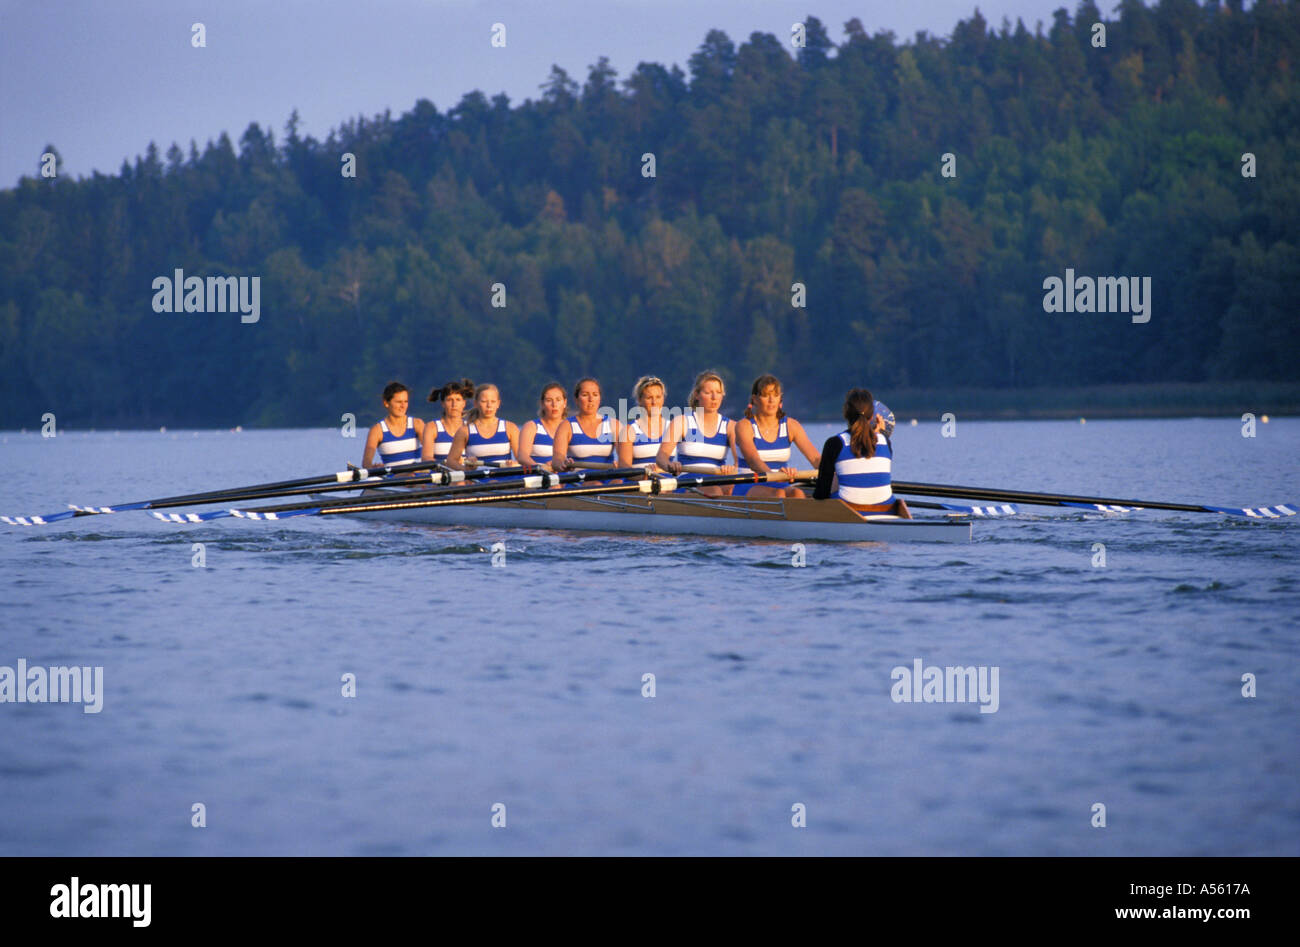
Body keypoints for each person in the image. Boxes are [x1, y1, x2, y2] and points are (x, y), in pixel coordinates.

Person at [812, 388, 910, 518]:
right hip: (887, 510)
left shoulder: (834, 443)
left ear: (845, 412)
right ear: (872, 415)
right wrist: (879, 434)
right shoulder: (885, 441)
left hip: (849, 511)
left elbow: (821, 494)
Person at [732, 374, 822, 498]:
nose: (771, 400)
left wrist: (835, 474)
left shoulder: (792, 426)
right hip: (750, 483)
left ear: (780, 399)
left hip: (779, 483)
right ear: (754, 399)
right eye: (765, 395)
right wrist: (775, 476)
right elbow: (754, 461)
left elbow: (816, 459)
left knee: (798, 493)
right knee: (778, 494)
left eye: (775, 395)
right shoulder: (743, 426)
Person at [656, 371, 737, 496]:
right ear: (697, 395)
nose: (714, 397)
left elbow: (740, 463)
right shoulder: (681, 422)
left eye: (718, 392)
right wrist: (670, 466)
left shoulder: (730, 426)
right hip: (688, 481)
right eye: (708, 393)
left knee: (726, 487)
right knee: (714, 491)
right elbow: (661, 456)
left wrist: (732, 470)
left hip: (718, 479)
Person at [443, 383, 521, 469]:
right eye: (484, 401)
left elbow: (521, 460)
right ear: (476, 403)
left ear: (498, 404)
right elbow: (451, 461)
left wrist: (515, 464)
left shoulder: (510, 428)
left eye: (493, 401)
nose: (489, 406)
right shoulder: (465, 431)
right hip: (477, 480)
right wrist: (466, 469)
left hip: (506, 480)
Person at [552, 377, 622, 469]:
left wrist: (621, 462)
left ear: (600, 399)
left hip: (609, 478)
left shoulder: (614, 425)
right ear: (576, 399)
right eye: (585, 395)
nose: (591, 399)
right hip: (579, 480)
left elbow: (625, 456)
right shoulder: (566, 426)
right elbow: (557, 460)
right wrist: (563, 463)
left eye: (595, 395)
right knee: (596, 484)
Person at [362, 382, 425, 468]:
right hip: (393, 478)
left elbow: (431, 452)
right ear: (386, 403)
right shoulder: (377, 431)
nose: (403, 406)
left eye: (405, 401)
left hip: (418, 476)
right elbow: (366, 462)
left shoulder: (417, 424)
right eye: (399, 402)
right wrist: (373, 468)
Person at [618, 375, 672, 469]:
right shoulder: (629, 430)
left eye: (658, 397)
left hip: (669, 482)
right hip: (641, 482)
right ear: (640, 400)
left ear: (663, 399)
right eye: (649, 398)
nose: (654, 402)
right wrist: (647, 474)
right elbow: (624, 469)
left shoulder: (673, 427)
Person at [422, 378, 473, 464]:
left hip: (466, 475)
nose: (454, 404)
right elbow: (426, 458)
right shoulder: (432, 427)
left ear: (464, 403)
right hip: (442, 474)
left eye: (458, 400)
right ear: (443, 403)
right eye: (449, 400)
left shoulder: (471, 427)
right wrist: (451, 463)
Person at [517, 382, 568, 468]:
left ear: (564, 403)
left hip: (565, 478)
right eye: (549, 400)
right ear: (542, 404)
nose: (554, 405)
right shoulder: (531, 427)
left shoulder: (571, 428)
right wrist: (542, 469)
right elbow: (522, 457)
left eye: (558, 400)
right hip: (538, 477)